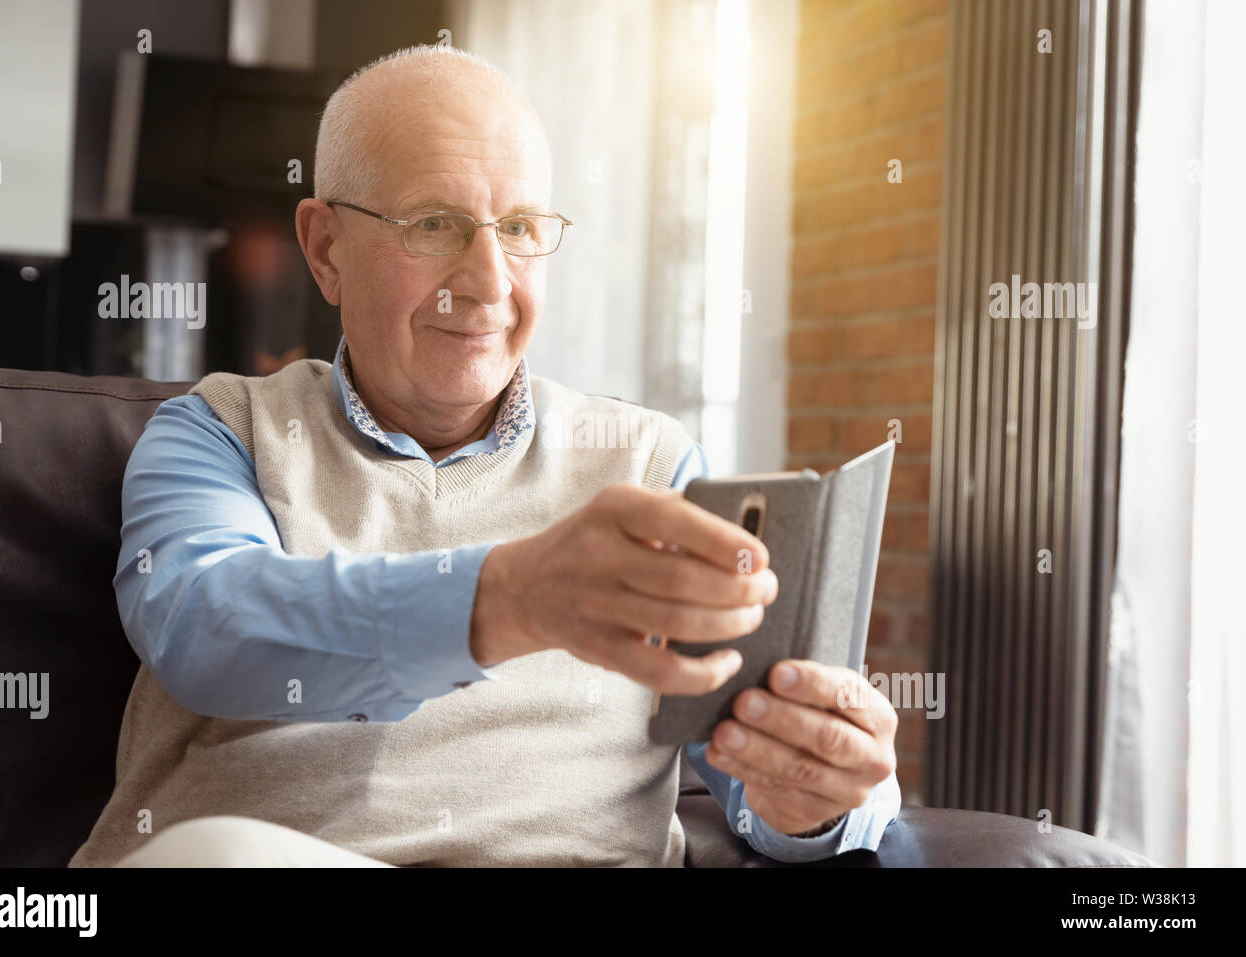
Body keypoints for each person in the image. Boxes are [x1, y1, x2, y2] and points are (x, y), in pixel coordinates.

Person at [69, 44, 900, 868]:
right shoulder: (218, 432)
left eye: (522, 229)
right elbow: (209, 629)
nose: (490, 280)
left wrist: (813, 793)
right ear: (325, 249)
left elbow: (764, 759)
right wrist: (511, 599)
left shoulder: (650, 463)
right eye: (434, 224)